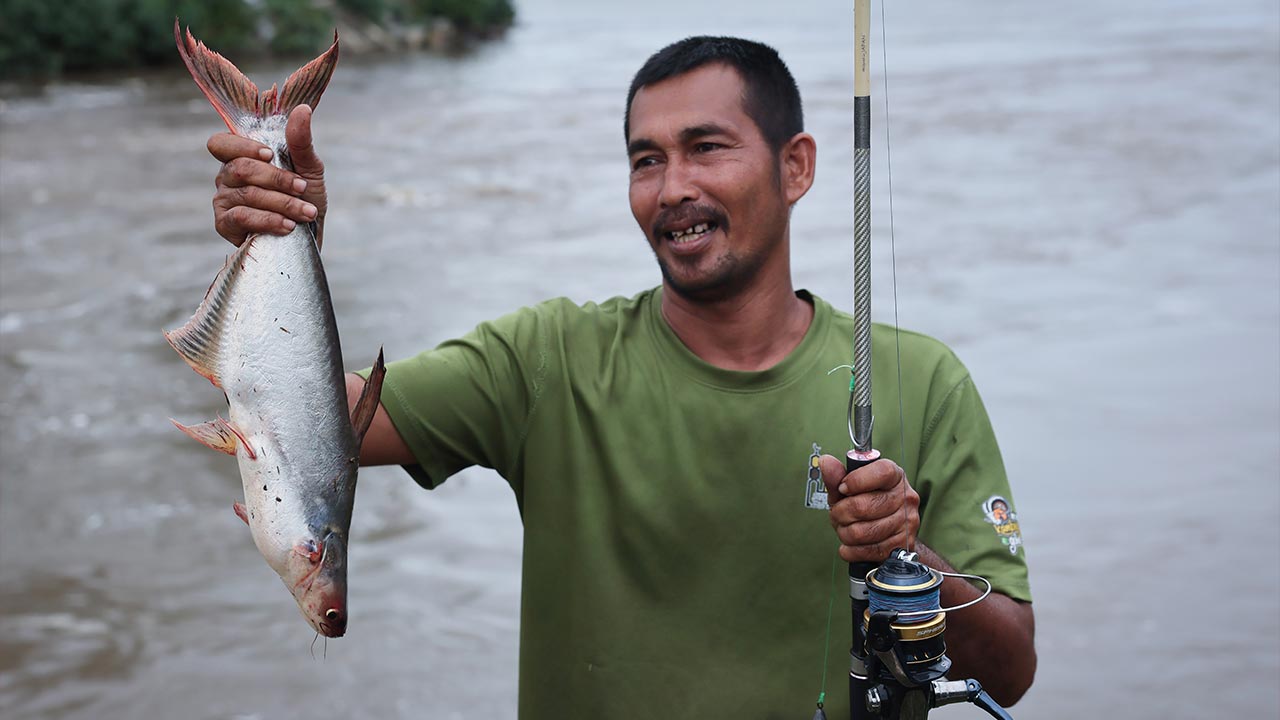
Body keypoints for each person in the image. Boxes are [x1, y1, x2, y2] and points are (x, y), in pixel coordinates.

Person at [204, 36, 1035, 717]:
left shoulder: (920, 380)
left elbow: (1013, 668)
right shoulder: (548, 361)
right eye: (646, 160)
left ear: (797, 167)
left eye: (706, 148)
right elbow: (307, 426)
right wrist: (283, 232)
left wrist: (905, 553)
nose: (674, 188)